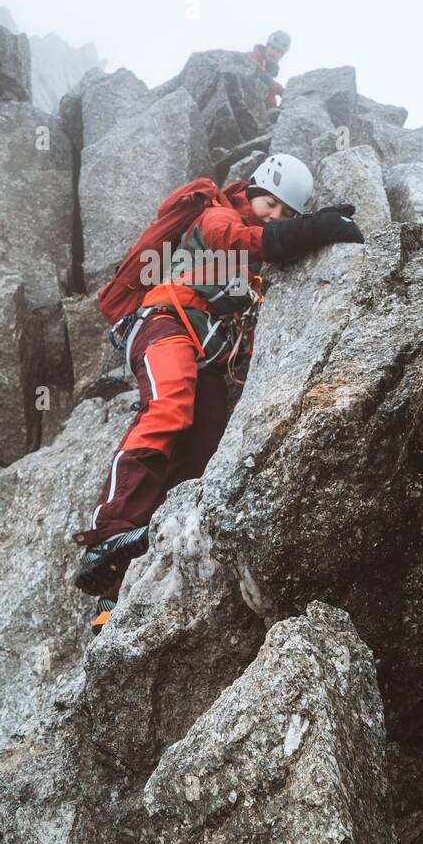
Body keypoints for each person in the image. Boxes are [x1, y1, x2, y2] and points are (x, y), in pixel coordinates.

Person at [72, 152, 364, 633]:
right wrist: (316, 229)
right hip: (162, 323)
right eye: (272, 205)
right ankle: (109, 533)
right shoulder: (218, 214)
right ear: (253, 191)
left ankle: (115, 595)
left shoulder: (253, 275)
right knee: (169, 405)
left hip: (206, 355)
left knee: (203, 450)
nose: (276, 217)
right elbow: (237, 239)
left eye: (287, 214)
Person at [249, 30, 291, 108]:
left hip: (258, 110)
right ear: (266, 46)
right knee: (266, 79)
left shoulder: (269, 71)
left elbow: (269, 96)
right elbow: (261, 75)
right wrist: (282, 91)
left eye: (278, 52)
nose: (274, 53)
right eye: (273, 48)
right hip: (245, 100)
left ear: (281, 56)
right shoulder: (251, 57)